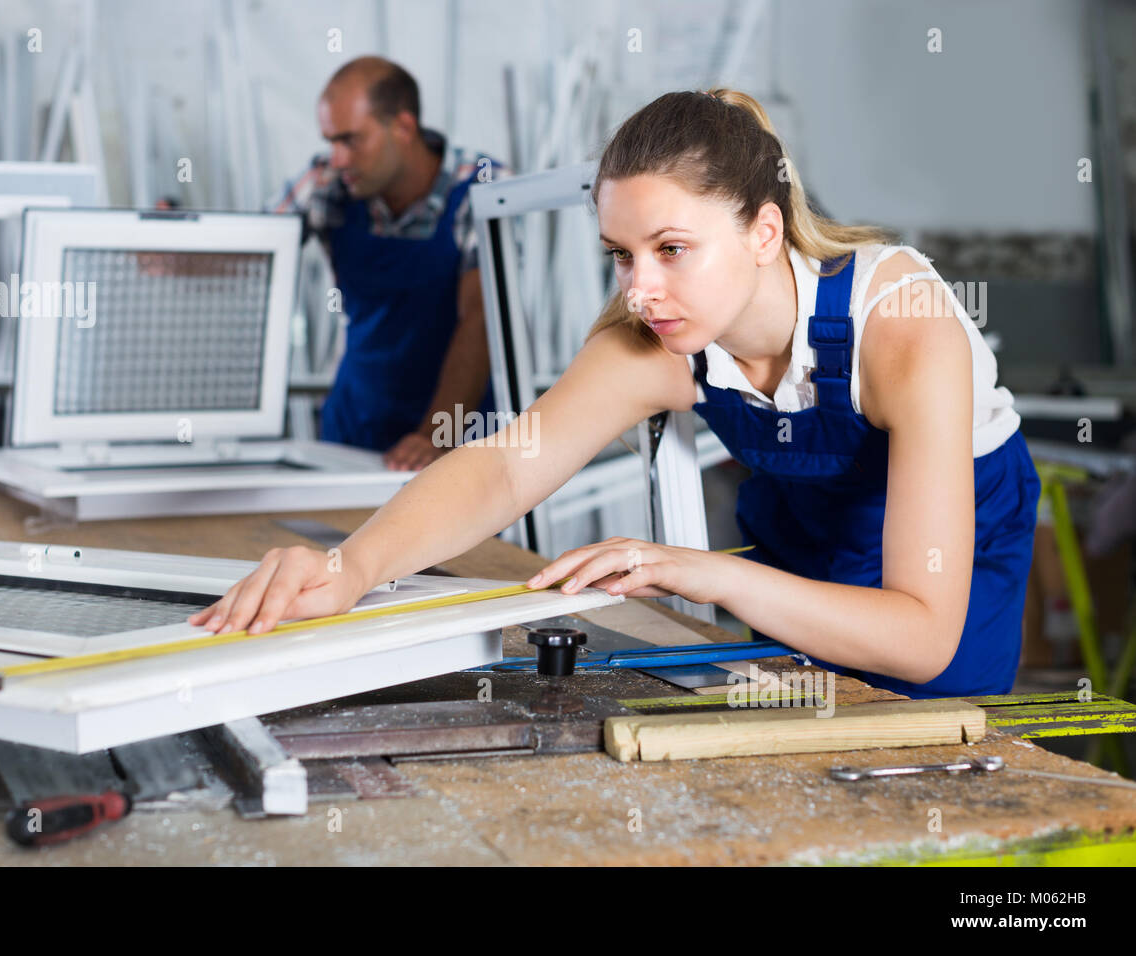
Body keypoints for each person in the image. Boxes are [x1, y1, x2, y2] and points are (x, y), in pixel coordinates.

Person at [194, 89, 1041, 700]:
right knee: (790, 725)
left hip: (949, 556)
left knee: (928, 746)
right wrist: (351, 567)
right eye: (622, 255)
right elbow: (503, 470)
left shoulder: (903, 325)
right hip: (806, 538)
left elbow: (923, 636)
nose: (641, 291)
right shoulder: (663, 340)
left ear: (765, 231)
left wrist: (704, 574)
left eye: (672, 248)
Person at [274, 56, 505, 470]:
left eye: (350, 140)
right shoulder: (328, 184)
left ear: (402, 126)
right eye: (330, 141)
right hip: (353, 428)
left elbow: (483, 316)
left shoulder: (482, 184)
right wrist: (179, 248)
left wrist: (436, 434)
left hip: (455, 436)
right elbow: (256, 248)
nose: (337, 158)